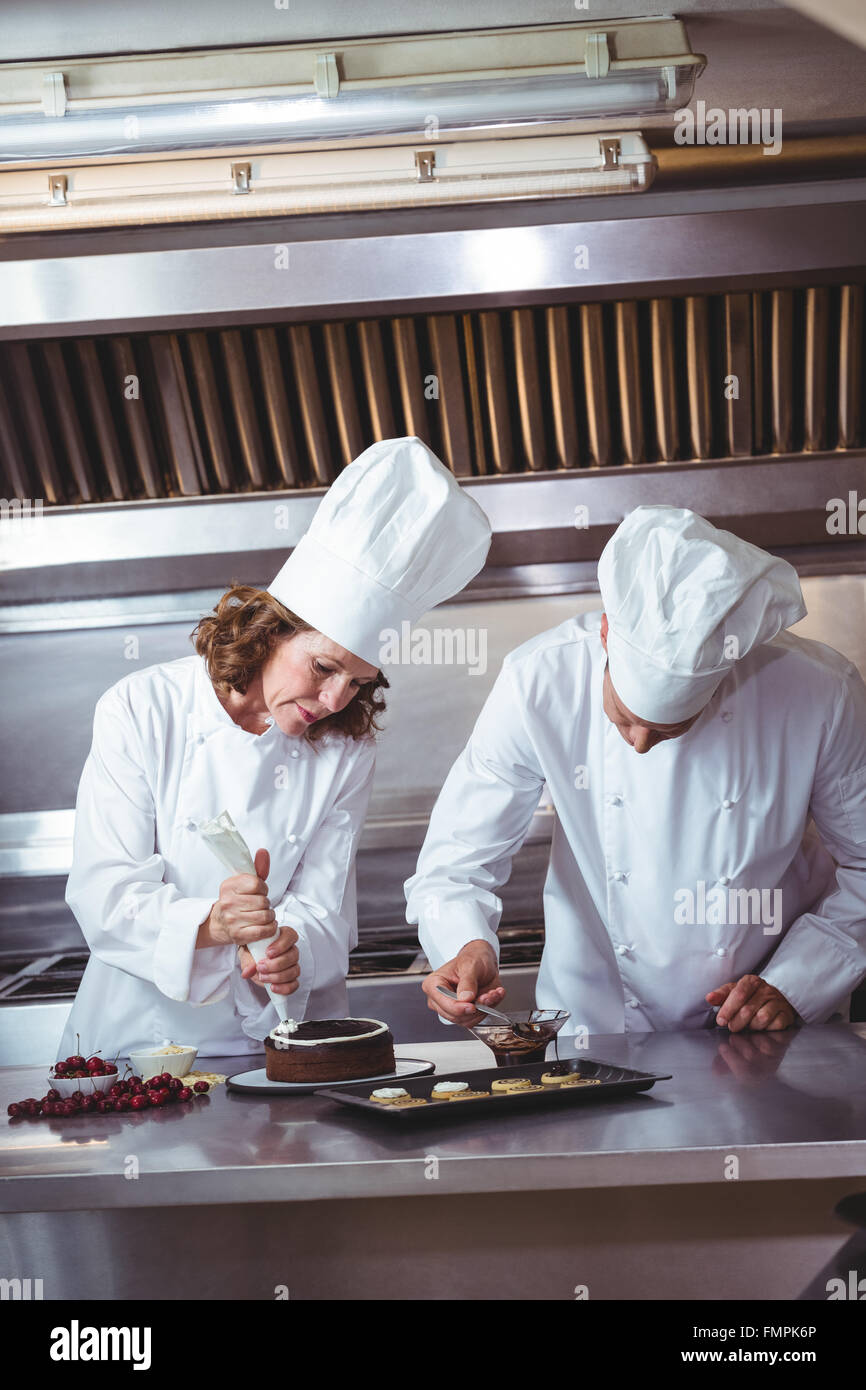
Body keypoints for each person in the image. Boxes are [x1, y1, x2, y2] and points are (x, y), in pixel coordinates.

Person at [60, 436, 491, 1058]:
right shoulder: (142, 709)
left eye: (360, 681)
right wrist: (212, 925)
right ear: (272, 630)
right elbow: (104, 895)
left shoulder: (344, 748)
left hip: (284, 1045)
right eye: (323, 666)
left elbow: (325, 906)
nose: (338, 698)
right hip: (137, 1048)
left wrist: (288, 951)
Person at [406, 505, 866, 1036]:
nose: (641, 745)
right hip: (600, 1024)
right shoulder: (537, 682)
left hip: (763, 1028)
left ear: (728, 671)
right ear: (605, 633)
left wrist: (798, 982)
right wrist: (466, 943)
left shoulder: (821, 692)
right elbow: (457, 862)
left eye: (672, 727)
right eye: (624, 718)